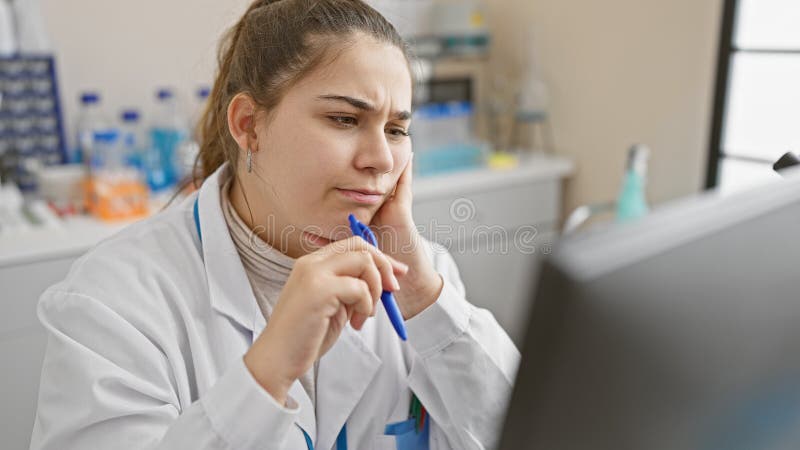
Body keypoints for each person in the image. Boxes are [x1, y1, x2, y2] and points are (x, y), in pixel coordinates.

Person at [30, 1, 519, 448]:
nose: (380, 159)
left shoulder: (421, 275)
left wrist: (426, 299)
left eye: (396, 130)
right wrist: (267, 372)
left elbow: (529, 429)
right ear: (248, 125)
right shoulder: (112, 303)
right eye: (345, 119)